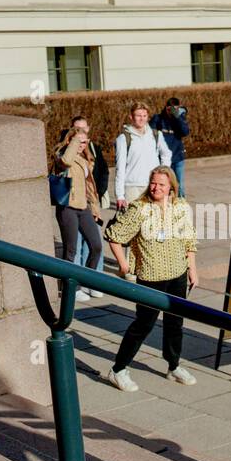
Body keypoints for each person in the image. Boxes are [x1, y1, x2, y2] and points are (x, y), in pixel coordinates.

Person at [103, 166, 199, 391]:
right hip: (150, 277)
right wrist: (124, 265)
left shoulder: (181, 207)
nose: (156, 188)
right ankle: (118, 370)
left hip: (178, 275)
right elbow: (113, 236)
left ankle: (173, 366)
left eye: (161, 184)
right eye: (153, 182)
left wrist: (192, 269)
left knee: (175, 324)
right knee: (143, 325)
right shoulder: (139, 208)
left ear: (171, 187)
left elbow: (189, 239)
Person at [53, 124, 106, 303]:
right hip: (67, 207)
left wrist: (95, 209)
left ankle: (87, 281)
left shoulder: (84, 160)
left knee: (96, 246)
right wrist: (73, 142)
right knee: (71, 250)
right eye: (79, 141)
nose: (83, 145)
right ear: (71, 141)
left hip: (83, 208)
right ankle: (71, 288)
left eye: (85, 142)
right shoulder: (62, 156)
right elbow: (66, 161)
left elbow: (90, 188)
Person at [114, 102, 172, 211]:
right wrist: (120, 195)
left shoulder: (155, 135)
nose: (142, 119)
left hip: (154, 186)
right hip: (132, 188)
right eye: (138, 116)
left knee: (155, 222)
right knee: (135, 225)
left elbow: (166, 154)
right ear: (131, 117)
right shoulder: (123, 138)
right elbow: (120, 168)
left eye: (144, 116)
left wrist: (163, 172)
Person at [149, 97, 190, 198]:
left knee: (179, 185)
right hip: (162, 158)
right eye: (169, 109)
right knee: (162, 183)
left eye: (174, 109)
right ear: (165, 108)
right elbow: (149, 133)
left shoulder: (179, 119)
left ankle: (181, 206)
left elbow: (185, 132)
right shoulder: (158, 118)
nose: (170, 112)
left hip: (177, 157)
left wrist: (178, 117)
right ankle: (164, 202)